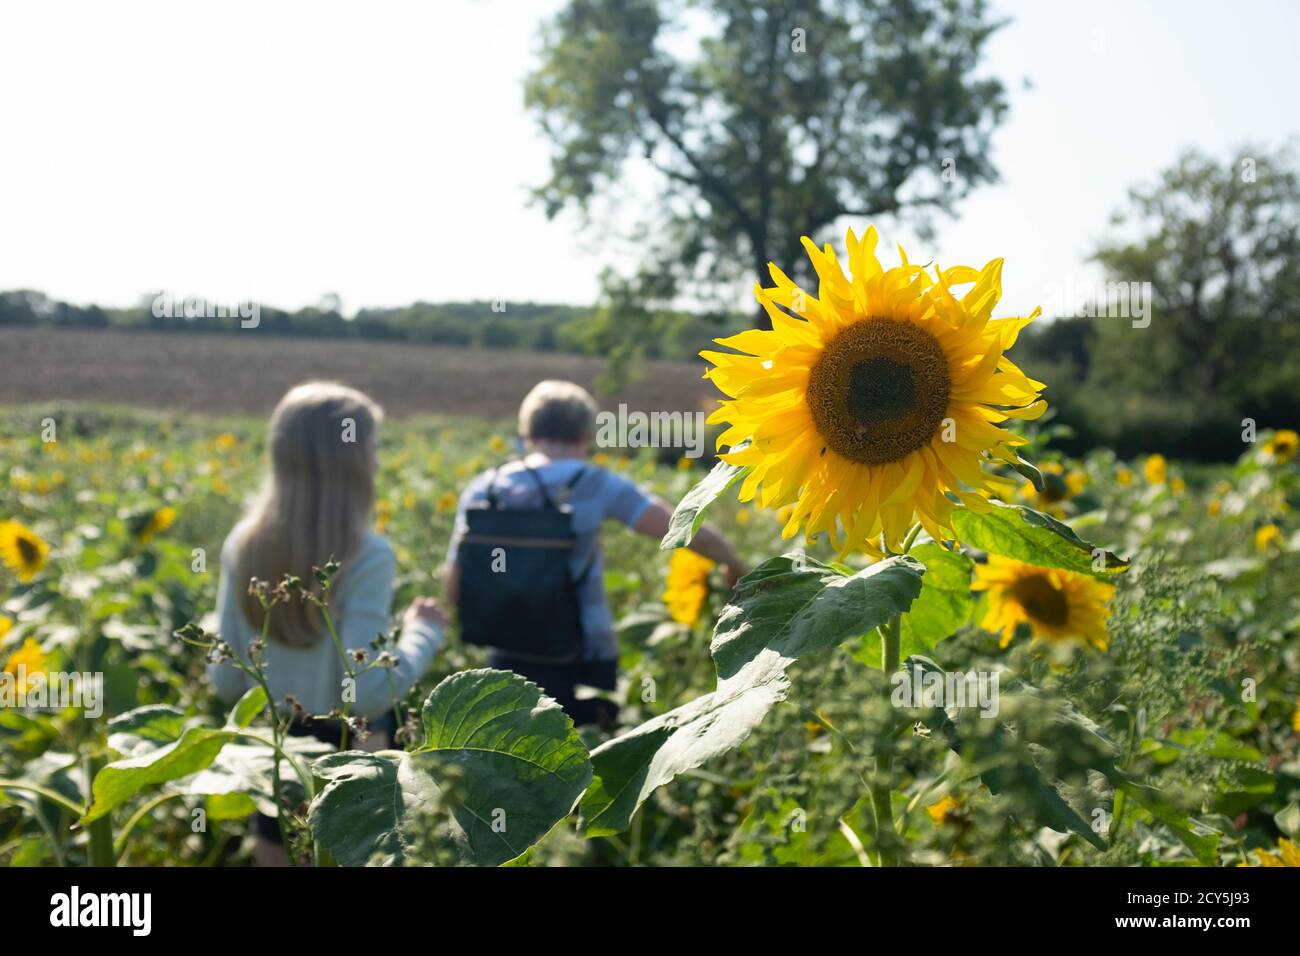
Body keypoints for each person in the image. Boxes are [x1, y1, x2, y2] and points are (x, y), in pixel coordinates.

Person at [208, 381, 445, 863]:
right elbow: (369, 690)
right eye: (373, 450)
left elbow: (226, 676)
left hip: (275, 752)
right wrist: (423, 633)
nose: (378, 463)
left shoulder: (243, 542)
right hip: (353, 750)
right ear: (354, 464)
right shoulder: (367, 554)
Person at [444, 380, 744, 726]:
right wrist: (732, 561)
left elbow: (454, 588)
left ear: (527, 432)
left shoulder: (484, 487)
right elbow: (682, 527)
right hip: (581, 656)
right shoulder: (593, 483)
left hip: (501, 653)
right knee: (586, 765)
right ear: (586, 434)